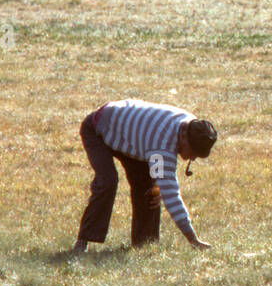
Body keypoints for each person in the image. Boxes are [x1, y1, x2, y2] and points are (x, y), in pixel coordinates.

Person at [72, 98, 217, 253]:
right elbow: (171, 196)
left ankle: (144, 244)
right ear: (183, 138)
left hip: (134, 139)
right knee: (108, 181)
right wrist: (193, 239)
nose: (192, 158)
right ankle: (83, 241)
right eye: (193, 152)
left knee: (151, 190)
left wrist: (158, 185)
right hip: (98, 129)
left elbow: (161, 179)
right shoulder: (162, 145)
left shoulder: (190, 125)